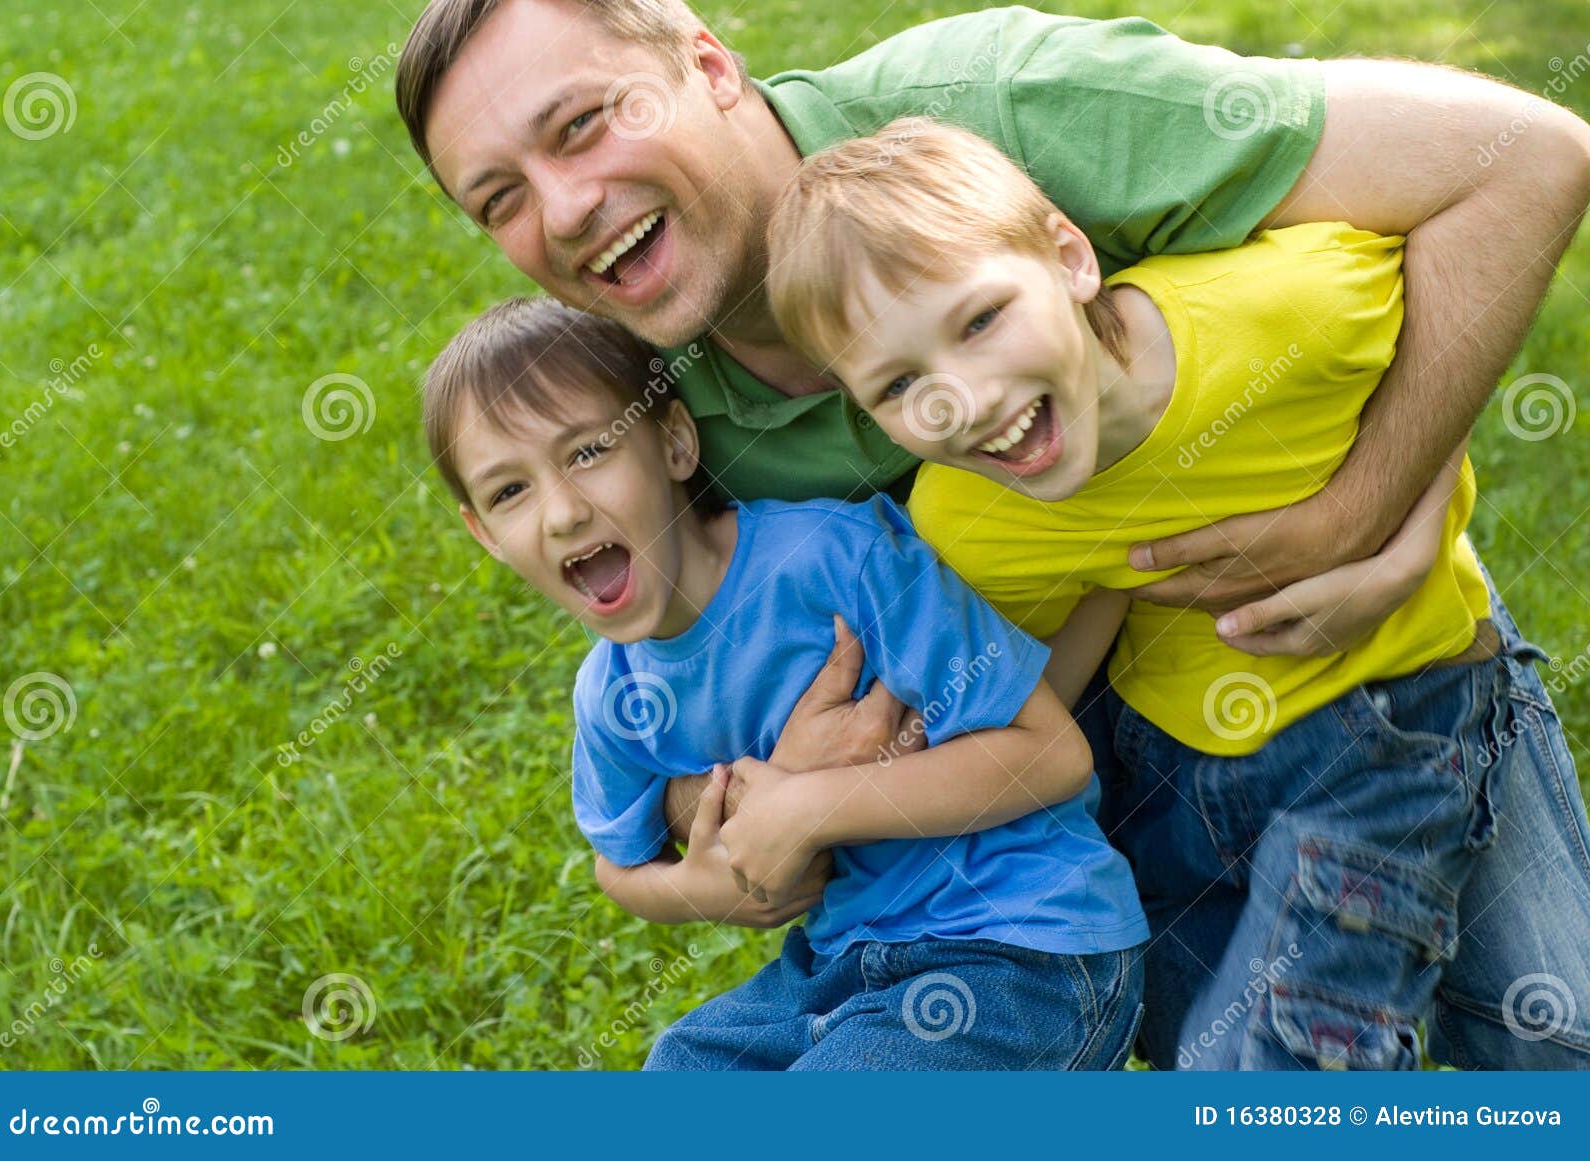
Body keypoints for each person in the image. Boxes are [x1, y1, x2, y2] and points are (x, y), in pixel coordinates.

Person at [396, 0, 1590, 1065]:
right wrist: (738, 808)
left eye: (584, 124)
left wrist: (1380, 497)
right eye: (498, 199)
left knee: (1551, 1033)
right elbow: (664, 649)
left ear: (707, 64)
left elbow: (1520, 158)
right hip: (1033, 765)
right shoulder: (635, 381)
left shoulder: (1008, 107)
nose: (564, 210)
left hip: (1354, 668)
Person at [764, 117, 1588, 1069]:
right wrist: (799, 796)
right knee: (1200, 1053)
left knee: (1301, 1066)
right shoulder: (970, 515)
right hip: (1178, 772)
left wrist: (1401, 503)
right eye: (901, 382)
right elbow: (1012, 699)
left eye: (983, 319)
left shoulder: (1292, 308)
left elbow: (1452, 321)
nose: (966, 398)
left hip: (1392, 730)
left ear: (1070, 257)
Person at [421, 295, 1149, 1069]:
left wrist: (810, 806)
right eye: (509, 491)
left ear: (672, 441)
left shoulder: (832, 559)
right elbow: (618, 862)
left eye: (589, 452)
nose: (562, 512)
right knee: (681, 1065)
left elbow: (1052, 755)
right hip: (839, 964)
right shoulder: (614, 694)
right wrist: (699, 890)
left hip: (1017, 940)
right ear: (484, 535)